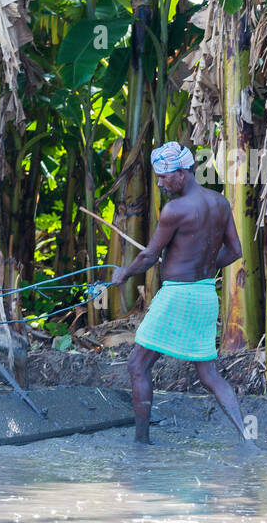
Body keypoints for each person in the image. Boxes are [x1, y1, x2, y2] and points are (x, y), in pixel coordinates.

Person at [109, 142, 254, 447]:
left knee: (138, 365)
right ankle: (247, 439)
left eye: (164, 177)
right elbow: (236, 251)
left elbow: (149, 256)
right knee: (210, 375)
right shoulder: (220, 203)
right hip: (204, 296)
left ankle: (141, 443)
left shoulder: (174, 210)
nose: (160, 183)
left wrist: (123, 274)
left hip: (176, 296)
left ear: (183, 173)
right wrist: (203, 268)